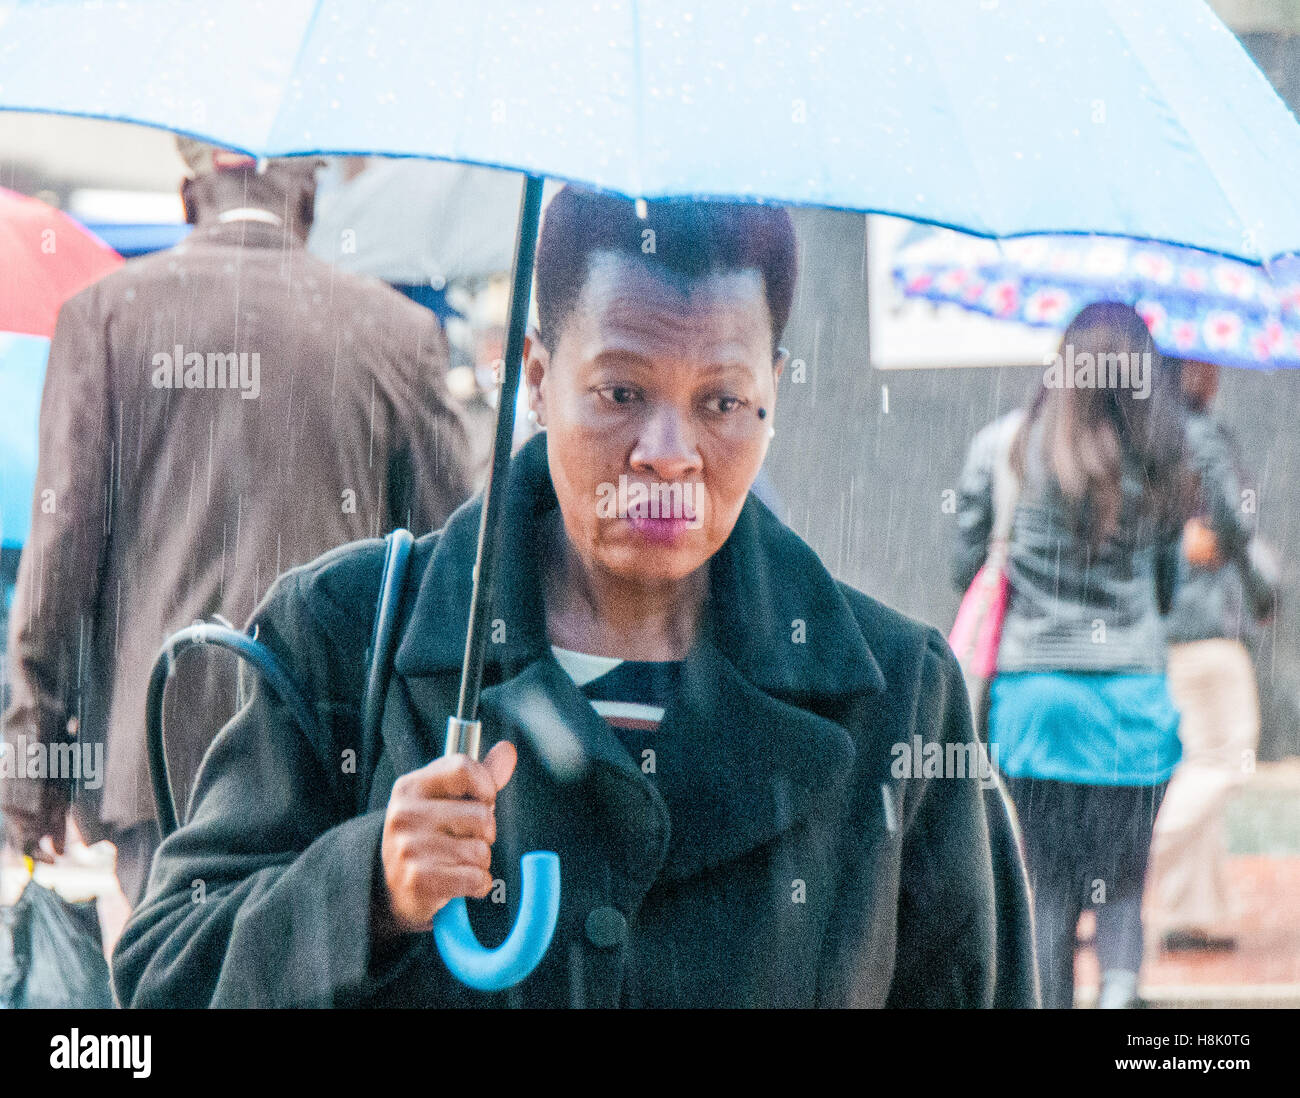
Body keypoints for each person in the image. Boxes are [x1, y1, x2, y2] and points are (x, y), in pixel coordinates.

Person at [112, 185, 1038, 1008]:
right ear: (540, 377)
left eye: (721, 402)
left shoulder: (896, 697)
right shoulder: (348, 635)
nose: (667, 451)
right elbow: (165, 977)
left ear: (773, 394)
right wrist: (365, 892)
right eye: (622, 391)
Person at [1, 139, 474, 910]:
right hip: (329, 768)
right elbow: (454, 568)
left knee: (159, 1001)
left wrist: (33, 773)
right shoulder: (396, 335)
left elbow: (59, 563)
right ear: (309, 205)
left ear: (190, 202)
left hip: (149, 768)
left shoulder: (102, 318)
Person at [953, 302, 1251, 1009]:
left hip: (1034, 701)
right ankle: (1121, 1002)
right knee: (1122, 885)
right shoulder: (1166, 461)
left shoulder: (1007, 448)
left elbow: (968, 563)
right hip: (1132, 699)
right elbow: (1169, 591)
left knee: (1050, 887)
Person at [1147, 358, 1276, 953]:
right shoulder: (1201, 431)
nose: (1219, 373)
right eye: (1208, 361)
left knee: (1196, 758)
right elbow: (1234, 520)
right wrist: (1259, 589)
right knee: (1229, 753)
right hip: (1208, 630)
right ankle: (1140, 842)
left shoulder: (1136, 431)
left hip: (1158, 627)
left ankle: (1188, 916)